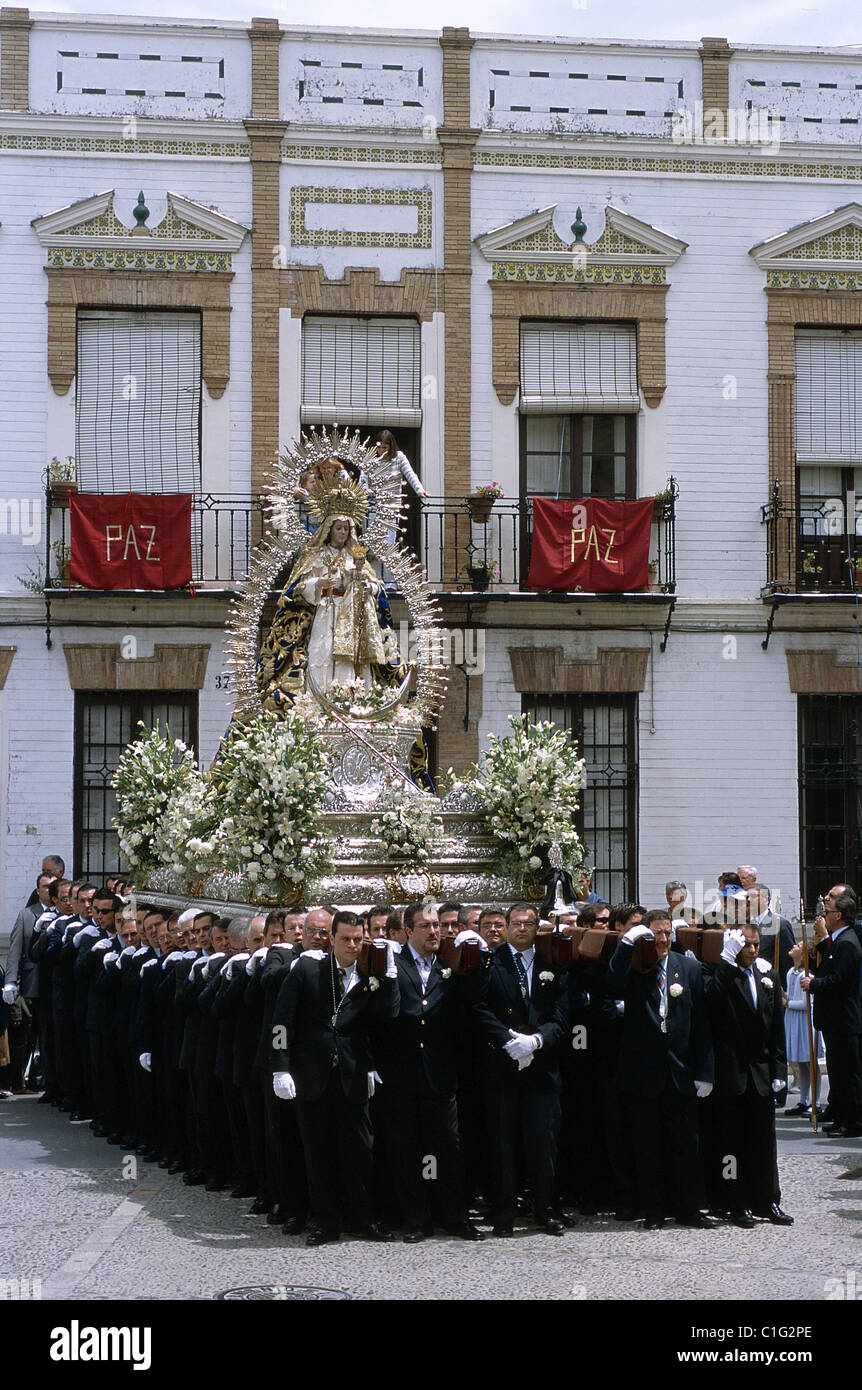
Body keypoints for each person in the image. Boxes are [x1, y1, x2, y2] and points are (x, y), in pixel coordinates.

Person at [271, 909, 399, 1245]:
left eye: (358, 939)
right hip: (313, 1076)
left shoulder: (370, 976)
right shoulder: (309, 971)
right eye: (345, 939)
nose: (353, 945)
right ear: (331, 938)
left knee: (359, 1151)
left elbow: (385, 1020)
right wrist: (280, 1067)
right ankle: (326, 1221)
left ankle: (361, 1218)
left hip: (352, 1074)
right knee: (318, 1153)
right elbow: (282, 1022)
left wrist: (390, 981)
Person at [374, 901, 482, 1243]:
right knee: (407, 1148)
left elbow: (468, 1007)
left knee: (446, 1147)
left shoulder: (449, 964)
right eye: (427, 926)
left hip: (439, 1073)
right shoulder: (395, 963)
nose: (436, 931)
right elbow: (385, 1016)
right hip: (402, 1074)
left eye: (437, 925)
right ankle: (417, 1218)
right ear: (409, 931)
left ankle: (453, 1215)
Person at [606, 909, 717, 1230]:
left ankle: (690, 1209)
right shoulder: (637, 965)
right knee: (647, 1146)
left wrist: (705, 1072)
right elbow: (612, 983)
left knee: (687, 1145)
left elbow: (701, 1025)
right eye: (656, 933)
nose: (663, 939)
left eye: (667, 932)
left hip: (681, 1072)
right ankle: (653, 1210)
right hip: (644, 1074)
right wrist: (627, 945)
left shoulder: (689, 967)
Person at [257, 480, 405, 711]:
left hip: (353, 620)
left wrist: (369, 589)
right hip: (325, 613)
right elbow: (293, 590)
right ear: (328, 529)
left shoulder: (356, 558)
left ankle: (352, 707)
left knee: (351, 665)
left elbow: (378, 589)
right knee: (320, 655)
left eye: (347, 529)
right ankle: (318, 709)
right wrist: (318, 583)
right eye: (338, 528)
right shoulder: (315, 555)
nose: (343, 533)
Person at [470, 902, 569, 1236]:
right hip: (502, 1067)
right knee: (503, 1143)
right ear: (508, 926)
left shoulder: (553, 962)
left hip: (541, 1068)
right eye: (516, 923)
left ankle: (546, 1209)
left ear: (537, 926)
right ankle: (504, 1211)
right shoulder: (489, 962)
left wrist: (537, 1041)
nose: (522, 929)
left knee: (543, 1143)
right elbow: (479, 1008)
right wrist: (508, 1042)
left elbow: (562, 1014)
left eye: (529, 923)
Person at [706, 924, 792, 1227]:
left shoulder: (768, 976)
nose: (753, 951)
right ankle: (734, 1201)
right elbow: (712, 1001)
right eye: (747, 946)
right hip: (732, 1072)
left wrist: (779, 1071)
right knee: (731, 1144)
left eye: (756, 945)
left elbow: (776, 1031)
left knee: (764, 1142)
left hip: (761, 1072)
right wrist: (727, 964)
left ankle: (767, 1199)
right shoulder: (722, 975)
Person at [801, 890, 862, 1137]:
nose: (823, 915)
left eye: (827, 912)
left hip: (844, 1018)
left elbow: (841, 980)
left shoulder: (847, 942)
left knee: (848, 1074)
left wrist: (814, 984)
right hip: (834, 1019)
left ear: (838, 915)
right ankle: (841, 1116)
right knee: (838, 1073)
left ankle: (854, 1121)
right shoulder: (837, 939)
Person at [785, 941, 823, 1117]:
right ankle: (803, 1099)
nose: (793, 946)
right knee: (801, 1063)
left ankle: (815, 1102)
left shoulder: (807, 975)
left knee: (810, 1062)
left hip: (805, 1020)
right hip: (794, 1019)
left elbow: (806, 1003)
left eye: (798, 945)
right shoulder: (791, 972)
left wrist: (787, 1003)